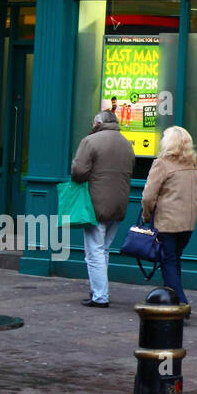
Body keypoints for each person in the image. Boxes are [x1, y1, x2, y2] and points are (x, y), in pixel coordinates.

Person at [70, 110, 134, 308]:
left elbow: (78, 172)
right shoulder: (126, 142)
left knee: (94, 252)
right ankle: (101, 291)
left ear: (97, 122)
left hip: (96, 204)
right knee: (104, 250)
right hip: (119, 203)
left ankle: (100, 296)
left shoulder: (90, 141)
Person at [140, 125, 197, 308]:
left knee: (168, 262)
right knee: (174, 261)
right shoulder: (192, 165)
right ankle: (173, 299)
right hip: (187, 224)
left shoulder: (162, 163)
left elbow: (148, 196)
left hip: (167, 223)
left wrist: (146, 215)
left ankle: (180, 304)